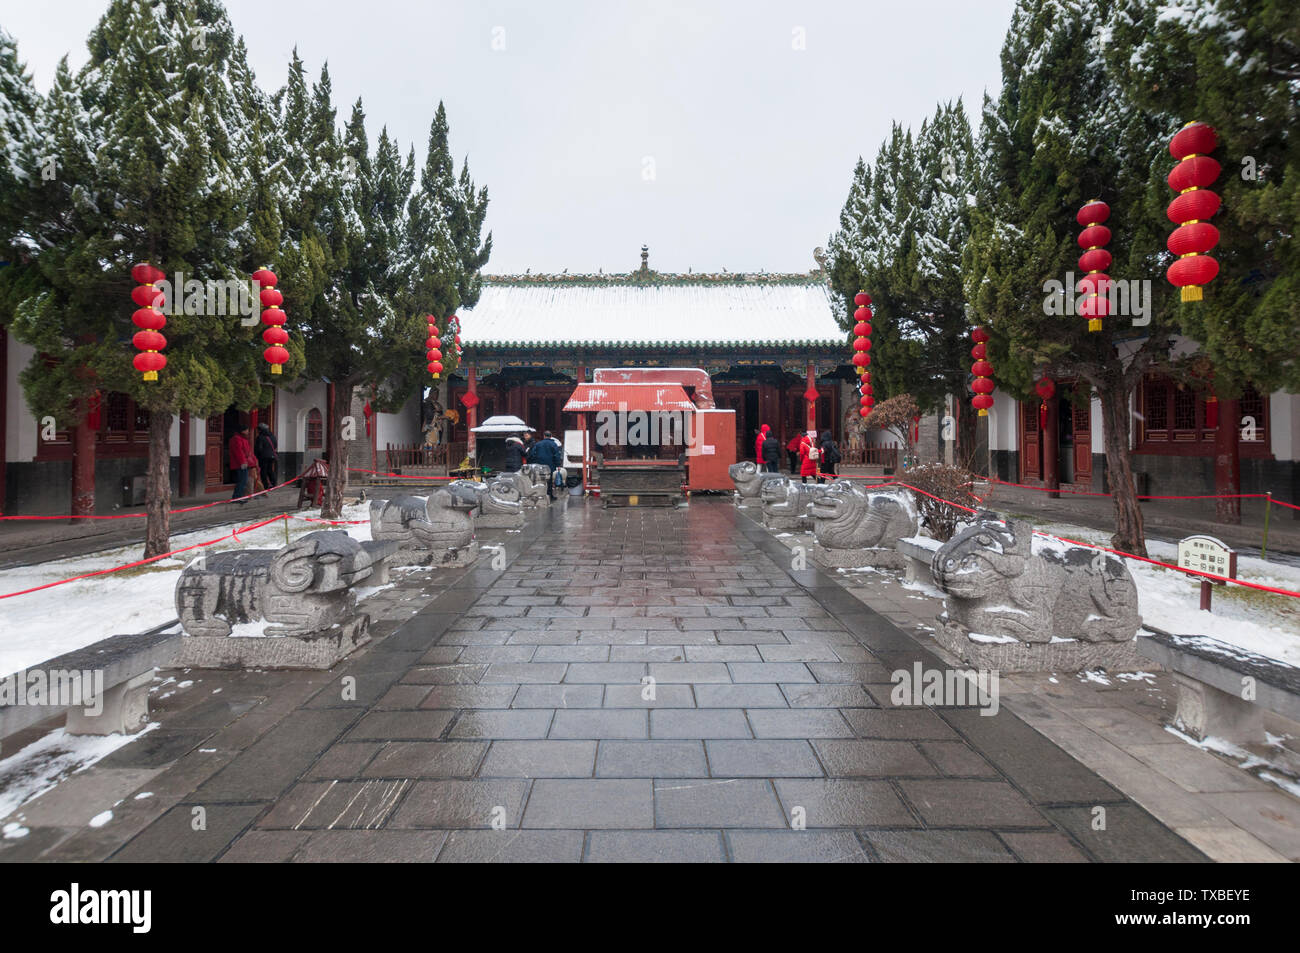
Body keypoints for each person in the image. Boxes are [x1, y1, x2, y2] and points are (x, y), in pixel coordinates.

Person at [229, 426, 255, 502]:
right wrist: (243, 462)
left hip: (244, 462)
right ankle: (237, 497)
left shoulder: (242, 439)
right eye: (247, 430)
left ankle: (238, 496)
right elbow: (239, 452)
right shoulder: (237, 439)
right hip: (240, 464)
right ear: (243, 431)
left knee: (243, 480)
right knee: (242, 480)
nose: (248, 432)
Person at [254, 422, 278, 492]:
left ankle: (265, 485)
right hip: (272, 456)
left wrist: (256, 456)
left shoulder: (260, 437)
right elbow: (275, 445)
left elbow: (259, 448)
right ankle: (274, 483)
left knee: (263, 471)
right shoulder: (272, 436)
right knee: (270, 470)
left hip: (263, 457)